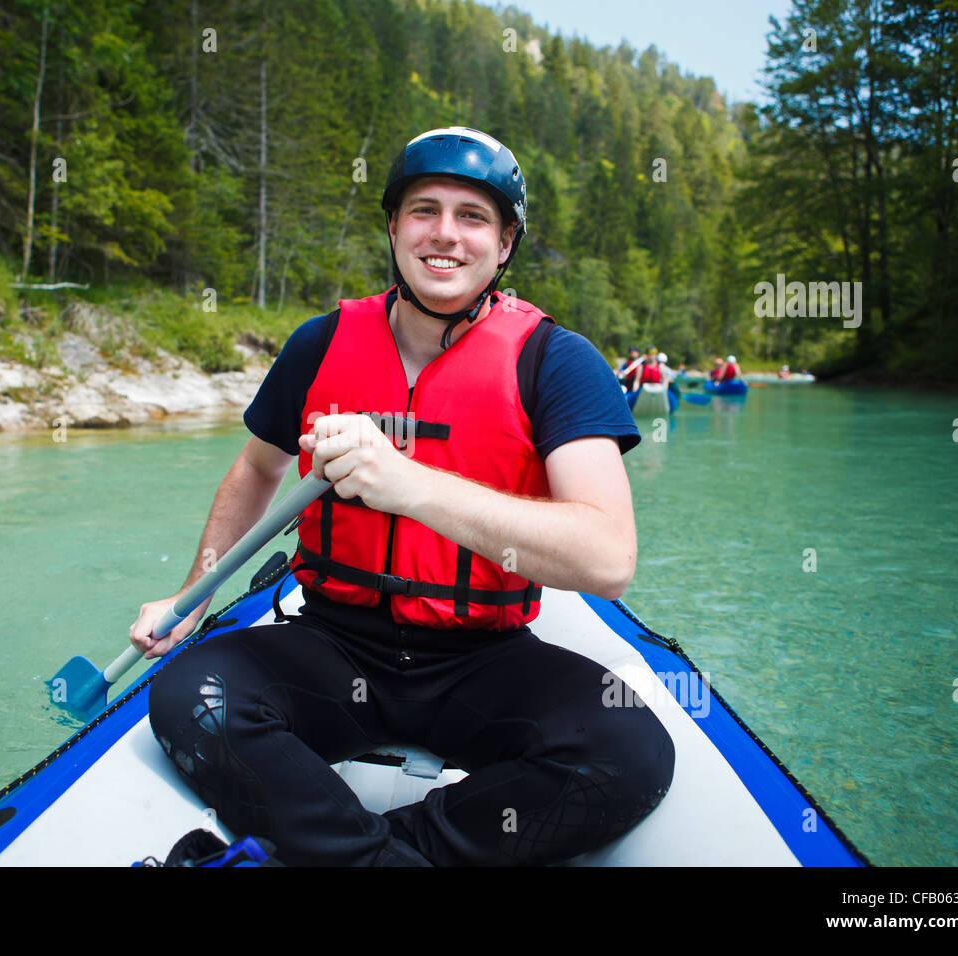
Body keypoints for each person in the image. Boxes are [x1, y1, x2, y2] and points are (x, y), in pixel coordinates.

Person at [131, 127, 675, 867]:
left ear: (505, 243)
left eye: (473, 216)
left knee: (631, 750)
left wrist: (413, 486)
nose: (444, 234)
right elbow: (257, 468)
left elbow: (608, 558)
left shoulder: (558, 361)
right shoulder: (319, 344)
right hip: (332, 644)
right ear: (393, 227)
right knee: (190, 694)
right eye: (423, 210)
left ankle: (378, 851)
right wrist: (196, 591)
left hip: (483, 661)